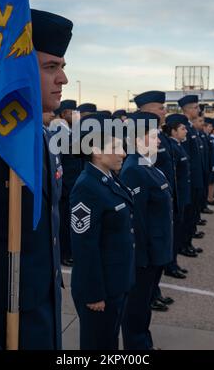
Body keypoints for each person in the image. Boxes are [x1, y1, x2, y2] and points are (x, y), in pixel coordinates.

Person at [0, 9, 73, 349]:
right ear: (15, 71)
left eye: (63, 67)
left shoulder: (43, 139)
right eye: (51, 67)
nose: (62, 79)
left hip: (38, 327)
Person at [70, 113, 135, 350]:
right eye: (117, 147)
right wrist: (93, 293)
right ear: (97, 151)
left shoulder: (109, 179)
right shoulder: (87, 188)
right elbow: (84, 247)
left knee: (109, 341)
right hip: (100, 289)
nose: (123, 153)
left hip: (116, 282)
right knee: (98, 345)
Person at [120, 111, 173, 350]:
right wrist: (140, 258)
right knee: (137, 309)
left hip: (156, 251)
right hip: (145, 256)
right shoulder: (133, 169)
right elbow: (135, 221)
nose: (159, 140)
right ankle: (138, 349)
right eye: (154, 135)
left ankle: (144, 345)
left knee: (144, 305)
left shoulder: (147, 164)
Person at [133, 90, 175, 311]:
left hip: (160, 209)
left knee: (147, 288)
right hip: (147, 244)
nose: (164, 111)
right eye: (160, 107)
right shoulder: (135, 165)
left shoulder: (147, 156)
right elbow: (138, 217)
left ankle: (153, 292)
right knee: (139, 301)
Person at [162, 114, 191, 278]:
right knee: (173, 233)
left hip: (182, 196)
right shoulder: (172, 147)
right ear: (173, 131)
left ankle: (173, 262)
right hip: (176, 196)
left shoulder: (178, 145)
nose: (185, 130)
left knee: (177, 232)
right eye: (182, 128)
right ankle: (170, 265)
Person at [55, 100, 83, 267]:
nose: (75, 115)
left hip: (73, 185)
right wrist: (63, 187)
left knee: (70, 222)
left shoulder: (70, 131)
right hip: (66, 188)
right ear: (64, 113)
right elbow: (60, 162)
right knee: (65, 223)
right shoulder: (60, 131)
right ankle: (64, 254)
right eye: (72, 112)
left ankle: (68, 251)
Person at [178, 95, 204, 258]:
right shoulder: (183, 127)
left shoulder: (191, 127)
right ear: (187, 109)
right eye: (195, 107)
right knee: (187, 215)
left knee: (192, 213)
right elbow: (185, 157)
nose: (198, 110)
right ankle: (183, 245)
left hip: (196, 178)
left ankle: (188, 243)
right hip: (189, 179)